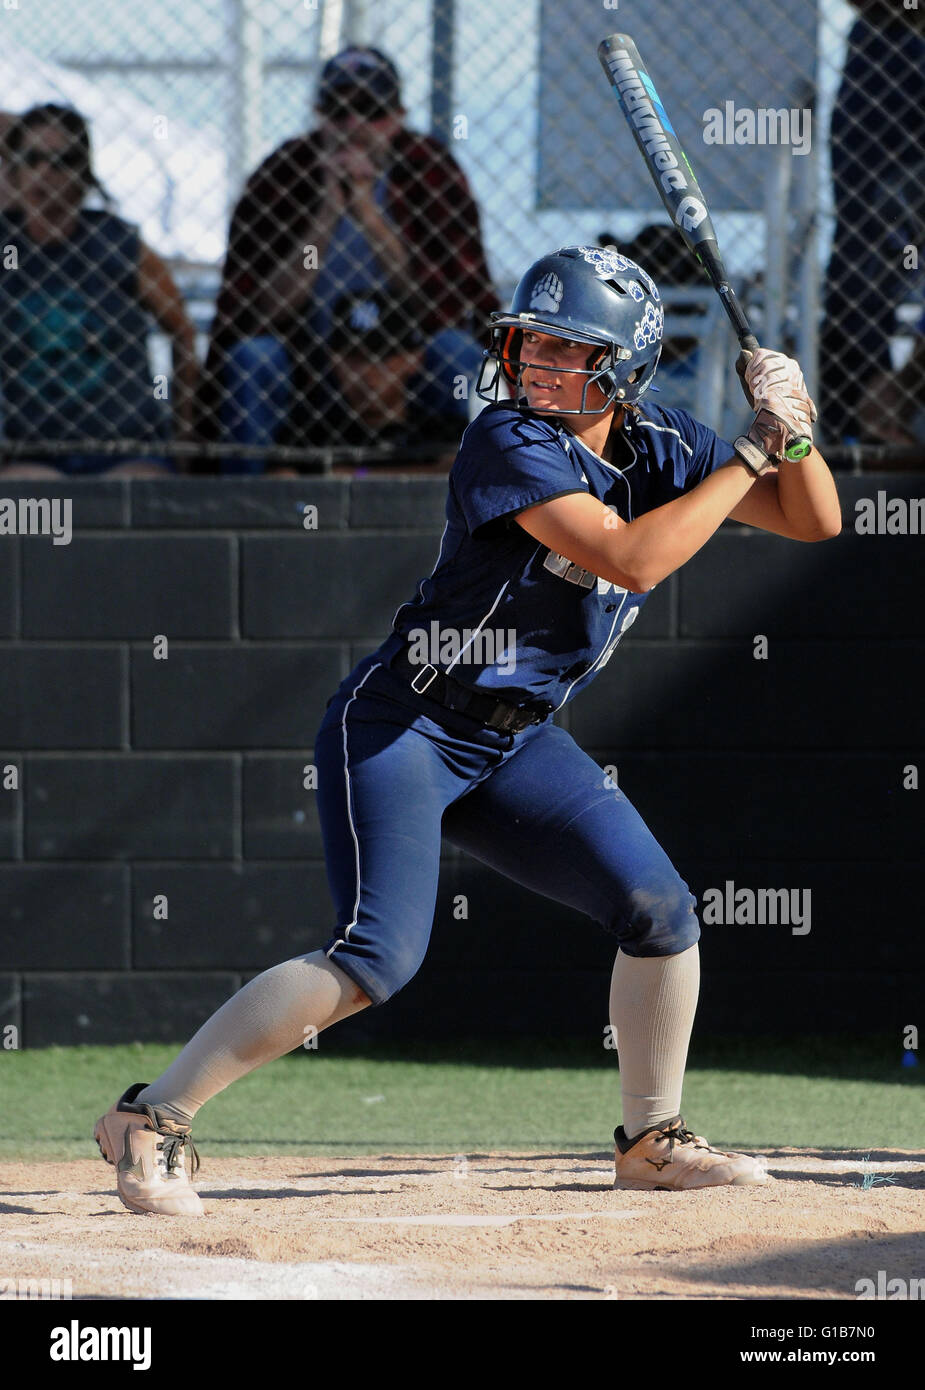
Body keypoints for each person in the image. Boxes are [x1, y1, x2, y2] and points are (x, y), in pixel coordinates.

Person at [94, 245, 841, 1214]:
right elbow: (631, 558)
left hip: (518, 739)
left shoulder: (663, 442)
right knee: (376, 958)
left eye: (565, 350)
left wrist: (794, 430)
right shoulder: (507, 439)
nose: (534, 362)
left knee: (661, 911)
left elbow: (813, 519)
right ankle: (152, 1115)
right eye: (528, 341)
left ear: (623, 367)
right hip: (407, 723)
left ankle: (650, 1140)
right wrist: (750, 449)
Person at [196, 46, 498, 470]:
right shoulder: (285, 171)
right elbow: (263, 309)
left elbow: (440, 307)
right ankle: (248, 514)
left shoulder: (428, 168)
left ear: (395, 117)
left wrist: (370, 218)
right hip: (313, 369)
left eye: (369, 109)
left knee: (457, 353)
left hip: (403, 368)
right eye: (339, 110)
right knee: (253, 358)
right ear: (319, 115)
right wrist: (327, 215)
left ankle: (481, 502)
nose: (353, 125)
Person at [0, 104, 198, 479]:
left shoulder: (118, 243)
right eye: (33, 160)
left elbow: (183, 332)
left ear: (82, 174)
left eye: (62, 161)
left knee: (136, 500)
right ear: (15, 171)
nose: (45, 174)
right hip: (34, 452)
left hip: (125, 447)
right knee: (27, 502)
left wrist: (183, 436)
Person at [819, 1, 925, 445]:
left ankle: (881, 408)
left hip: (892, 49)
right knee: (868, 248)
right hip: (889, 46)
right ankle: (861, 422)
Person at [302, 290, 471, 467]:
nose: (367, 371)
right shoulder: (314, 432)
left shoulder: (443, 432)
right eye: (354, 357)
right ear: (334, 360)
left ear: (414, 359)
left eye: (382, 357)